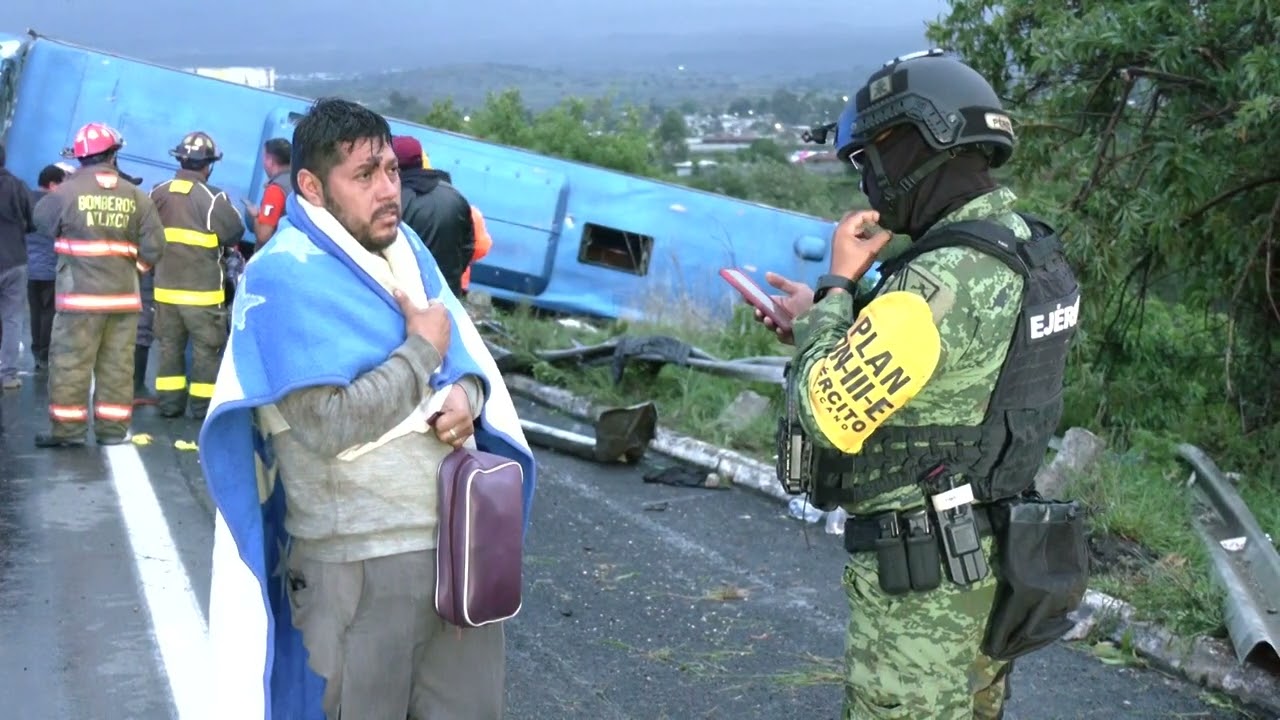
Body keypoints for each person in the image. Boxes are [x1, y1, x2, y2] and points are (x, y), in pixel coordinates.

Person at [758, 50, 1083, 720]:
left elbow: (825, 409)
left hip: (922, 586)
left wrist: (838, 285)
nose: (868, 180)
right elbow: (948, 377)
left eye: (867, 158)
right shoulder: (1026, 247)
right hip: (997, 560)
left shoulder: (938, 284)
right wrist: (824, 320)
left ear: (912, 144)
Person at [198, 97, 536, 720]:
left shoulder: (408, 250)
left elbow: (466, 356)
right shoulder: (285, 276)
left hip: (459, 553)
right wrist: (420, 353)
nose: (388, 192)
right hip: (354, 571)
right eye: (364, 176)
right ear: (312, 186)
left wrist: (466, 394)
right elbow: (330, 423)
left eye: (390, 171)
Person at [35, 122, 165, 447]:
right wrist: (133, 270)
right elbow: (155, 246)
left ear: (80, 157)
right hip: (122, 301)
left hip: (79, 301)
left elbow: (40, 220)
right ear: (113, 154)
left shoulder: (64, 192)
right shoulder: (136, 196)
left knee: (70, 363)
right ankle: (111, 432)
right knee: (117, 367)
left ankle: (68, 432)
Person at [148, 131, 245, 419]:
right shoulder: (213, 199)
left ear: (180, 159)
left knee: (169, 348)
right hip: (203, 296)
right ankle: (201, 410)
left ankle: (169, 405)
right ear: (208, 165)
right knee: (206, 352)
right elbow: (234, 232)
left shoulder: (157, 193)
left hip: (164, 292)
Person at [392, 136, 476, 296]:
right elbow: (468, 246)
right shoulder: (454, 196)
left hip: (404, 296)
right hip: (446, 294)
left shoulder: (392, 199)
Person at [27, 163, 72, 373]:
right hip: (50, 268)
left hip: (28, 268)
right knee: (48, 313)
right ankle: (44, 354)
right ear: (53, 184)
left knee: (35, 311)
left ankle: (37, 350)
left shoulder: (27, 198)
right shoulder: (56, 204)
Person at [0, 143, 34, 391]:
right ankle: (8, 375)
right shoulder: (18, 185)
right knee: (12, 319)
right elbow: (33, 221)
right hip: (14, 259)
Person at [242, 137, 291, 255]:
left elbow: (263, 235)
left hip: (272, 257)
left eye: (264, 157)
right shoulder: (296, 182)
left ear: (270, 160)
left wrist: (254, 216)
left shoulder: (276, 189)